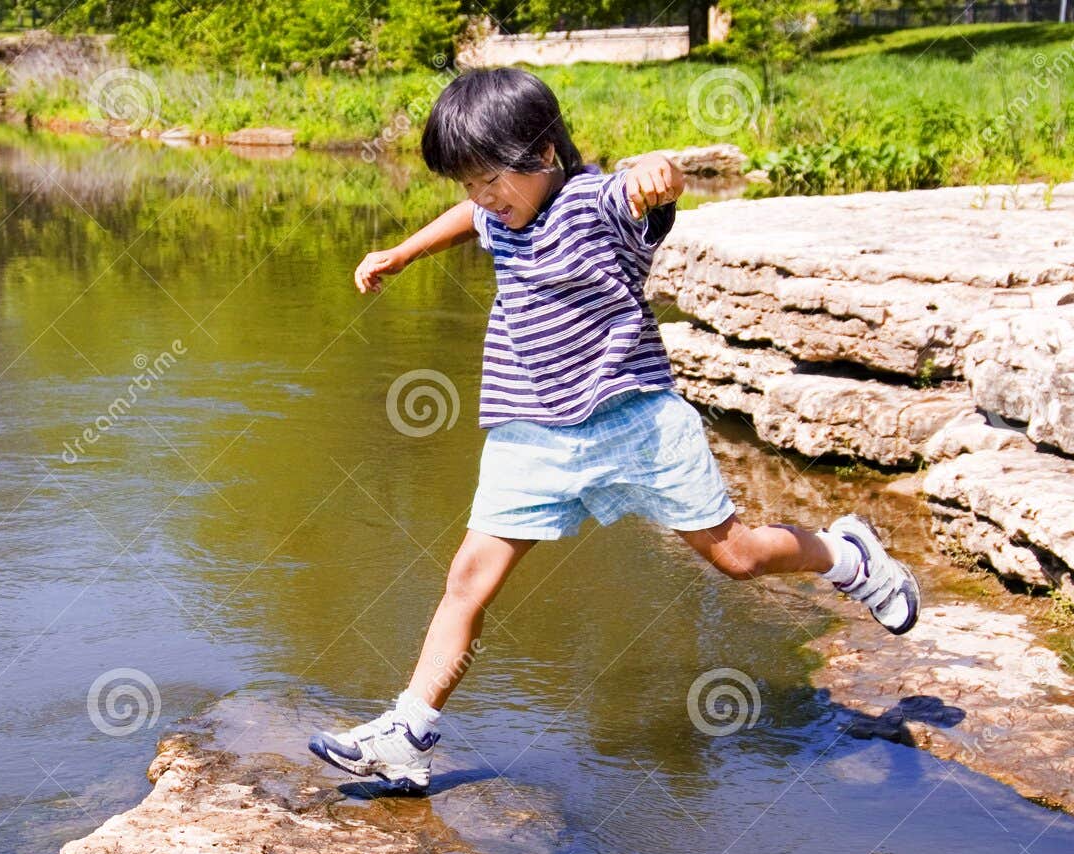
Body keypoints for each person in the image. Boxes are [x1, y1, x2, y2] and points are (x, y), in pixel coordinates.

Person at [308, 68, 919, 790]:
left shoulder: (598, 203)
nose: (480, 199)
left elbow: (647, 187)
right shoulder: (498, 215)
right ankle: (410, 733)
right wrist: (401, 253)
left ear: (540, 154)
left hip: (635, 421)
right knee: (467, 580)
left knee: (737, 558)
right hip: (530, 431)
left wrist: (657, 175)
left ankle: (846, 556)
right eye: (466, 182)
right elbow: (463, 222)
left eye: (487, 179)